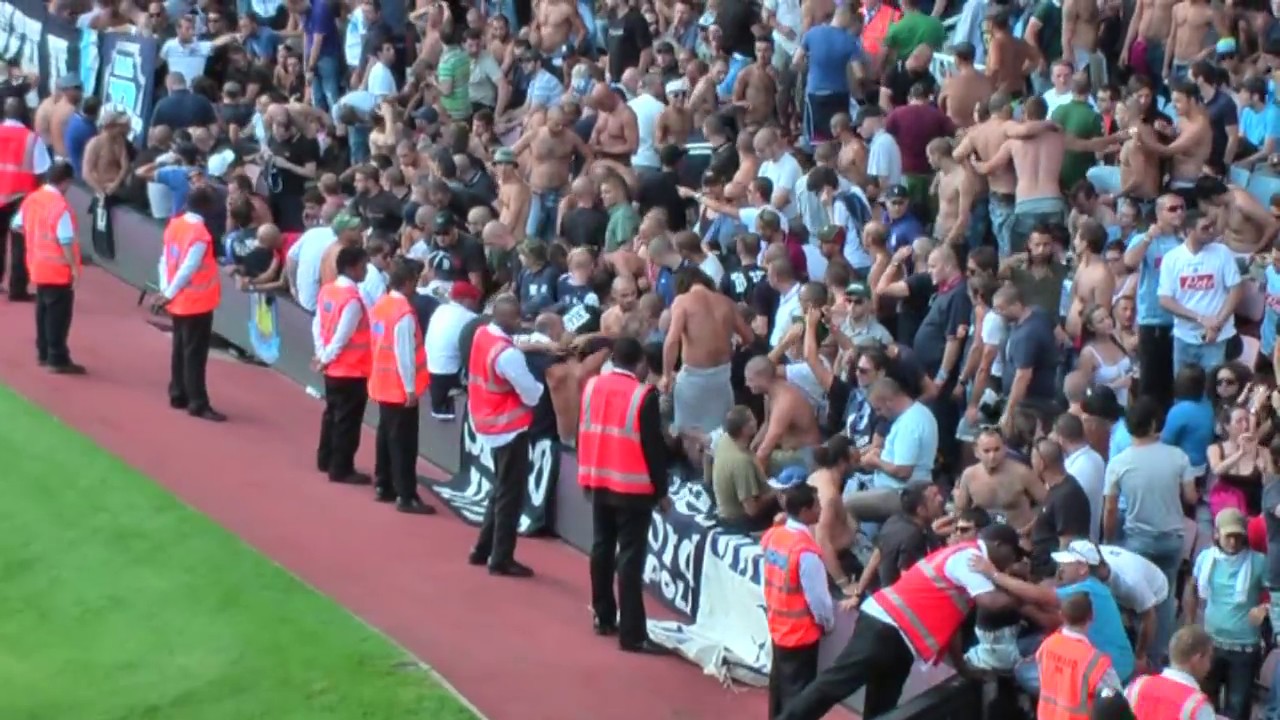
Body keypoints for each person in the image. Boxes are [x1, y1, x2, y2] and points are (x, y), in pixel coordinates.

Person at [775, 523, 1025, 720]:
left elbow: (953, 623)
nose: (1009, 565)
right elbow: (992, 602)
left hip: (898, 636)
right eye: (1012, 556)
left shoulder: (962, 556)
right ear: (1000, 545)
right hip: (887, 628)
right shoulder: (971, 559)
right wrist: (1025, 595)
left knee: (883, 705)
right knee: (835, 685)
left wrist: (962, 668)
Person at [577, 336, 671, 654]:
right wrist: (662, 492)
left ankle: (603, 615)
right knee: (629, 559)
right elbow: (652, 448)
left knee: (602, 547)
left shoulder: (592, 386)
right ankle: (632, 634)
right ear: (640, 363)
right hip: (632, 487)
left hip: (597, 477)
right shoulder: (643, 396)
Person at [467, 294, 545, 577]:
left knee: (499, 488)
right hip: (508, 427)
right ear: (511, 319)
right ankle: (500, 557)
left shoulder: (482, 335)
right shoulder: (508, 355)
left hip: (486, 419)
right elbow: (531, 393)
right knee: (509, 495)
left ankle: (483, 548)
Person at [760, 471, 835, 719]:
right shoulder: (806, 552)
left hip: (778, 626)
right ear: (804, 511)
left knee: (779, 687)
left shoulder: (774, 535)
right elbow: (819, 601)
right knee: (800, 699)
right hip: (801, 635)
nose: (821, 508)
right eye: (817, 505)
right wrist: (828, 624)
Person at [368, 258, 436, 515]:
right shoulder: (404, 313)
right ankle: (406, 495)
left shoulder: (381, 306)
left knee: (385, 435)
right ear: (407, 283)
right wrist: (410, 389)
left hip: (382, 383)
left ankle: (383, 484)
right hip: (399, 387)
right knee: (404, 444)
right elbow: (404, 354)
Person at [153, 186, 224, 422]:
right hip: (196, 301)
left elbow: (165, 259)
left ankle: (178, 393)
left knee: (180, 348)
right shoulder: (200, 234)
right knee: (195, 353)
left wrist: (166, 290)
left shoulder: (175, 225)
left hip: (179, 300)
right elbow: (189, 268)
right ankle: (197, 401)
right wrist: (169, 293)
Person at [12, 161, 82, 373]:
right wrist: (74, 268)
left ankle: (43, 352)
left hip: (37, 264)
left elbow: (17, 225)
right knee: (58, 316)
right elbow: (65, 240)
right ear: (66, 182)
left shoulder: (32, 199)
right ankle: (56, 357)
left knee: (42, 311)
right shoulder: (60, 206)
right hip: (58, 270)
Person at [313, 245, 373, 485]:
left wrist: (321, 355)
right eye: (363, 265)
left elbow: (318, 325)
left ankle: (325, 458)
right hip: (351, 369)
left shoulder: (328, 291)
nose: (366, 270)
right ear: (352, 267)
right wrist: (326, 356)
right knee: (347, 421)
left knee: (331, 415)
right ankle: (341, 468)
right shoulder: (353, 300)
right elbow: (342, 336)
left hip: (333, 368)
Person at [1036, 592, 1123, 720]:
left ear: (1061, 615)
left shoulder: (1046, 646)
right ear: (1091, 616)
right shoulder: (1095, 661)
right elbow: (1114, 702)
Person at [0, 96, 49, 302]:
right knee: (20, 245)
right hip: (22, 197)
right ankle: (17, 289)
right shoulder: (31, 138)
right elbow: (42, 169)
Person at [1123, 624, 1215, 720]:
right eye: (1209, 657)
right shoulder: (1197, 706)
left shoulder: (1136, 687)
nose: (1209, 665)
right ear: (1198, 658)